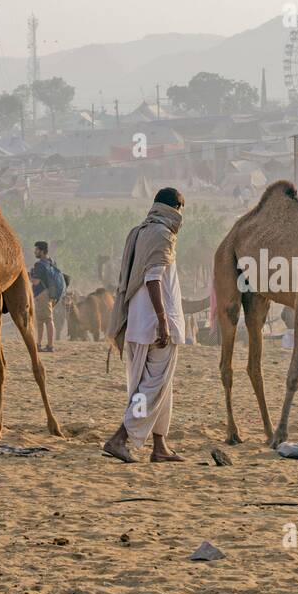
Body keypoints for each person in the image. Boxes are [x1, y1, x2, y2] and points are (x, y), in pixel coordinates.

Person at [103, 188, 186, 464]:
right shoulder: (162, 234)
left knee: (159, 386)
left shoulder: (138, 232)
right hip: (156, 325)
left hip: (138, 323)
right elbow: (153, 278)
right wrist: (163, 320)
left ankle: (160, 446)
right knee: (150, 389)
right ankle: (120, 438)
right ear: (176, 208)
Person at [30, 241, 66, 353]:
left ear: (41, 251)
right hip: (49, 294)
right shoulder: (51, 262)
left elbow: (35, 282)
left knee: (48, 320)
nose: (35, 252)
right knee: (41, 320)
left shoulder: (39, 265)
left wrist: (28, 276)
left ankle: (50, 346)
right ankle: (39, 344)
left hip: (42, 295)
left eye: (36, 250)